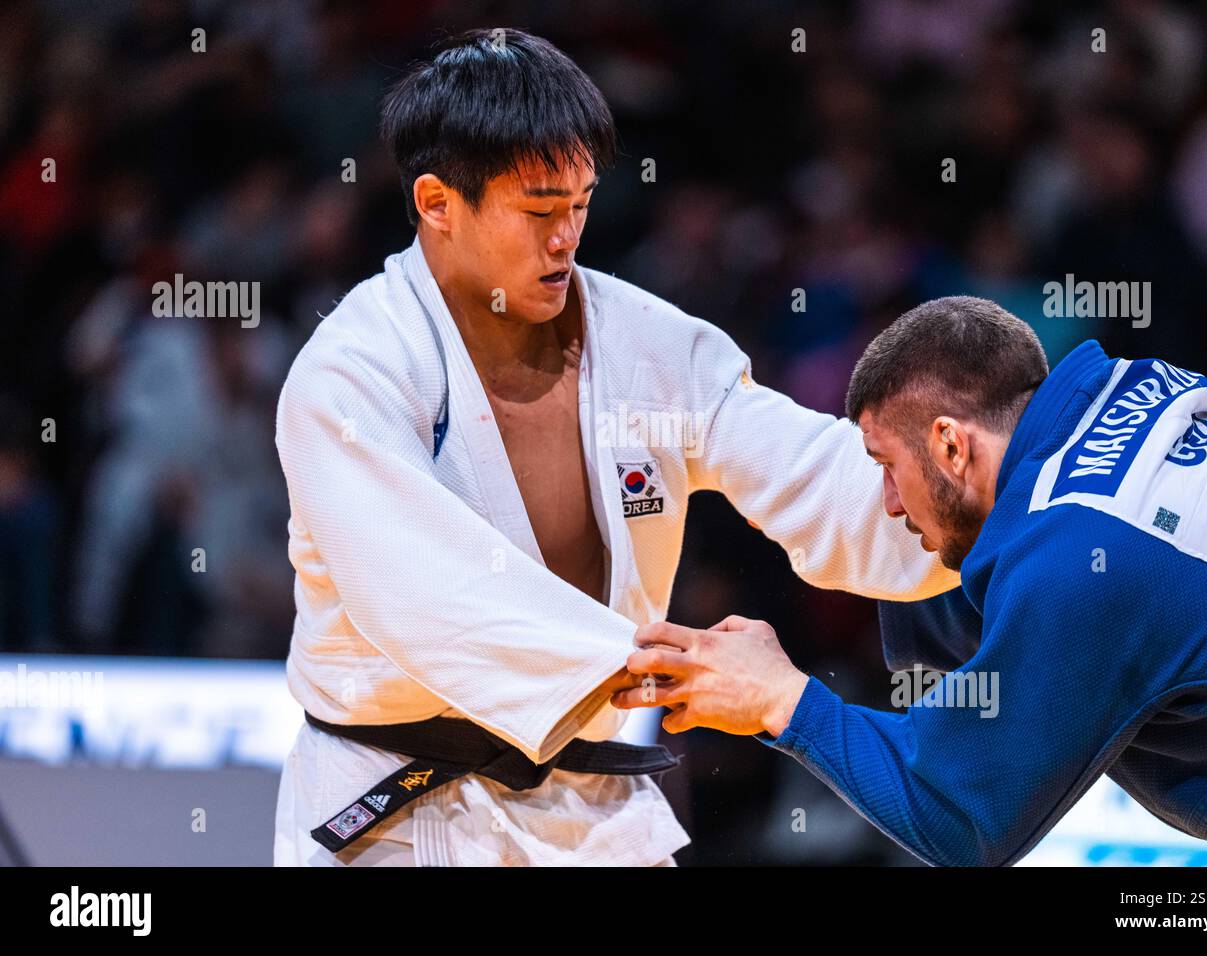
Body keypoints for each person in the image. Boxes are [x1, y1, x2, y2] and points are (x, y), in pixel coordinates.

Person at [272, 29, 956, 867]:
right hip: (392, 816)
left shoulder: (648, 349)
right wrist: (671, 665)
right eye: (537, 211)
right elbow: (425, 595)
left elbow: (817, 476)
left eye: (581, 205)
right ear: (438, 203)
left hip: (587, 812)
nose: (566, 238)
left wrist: (978, 504)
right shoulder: (355, 373)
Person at [614, 296, 1207, 866]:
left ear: (949, 443)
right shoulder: (1130, 389)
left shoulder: (1080, 560)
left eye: (886, 463)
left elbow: (963, 824)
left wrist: (782, 699)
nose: (885, 498)